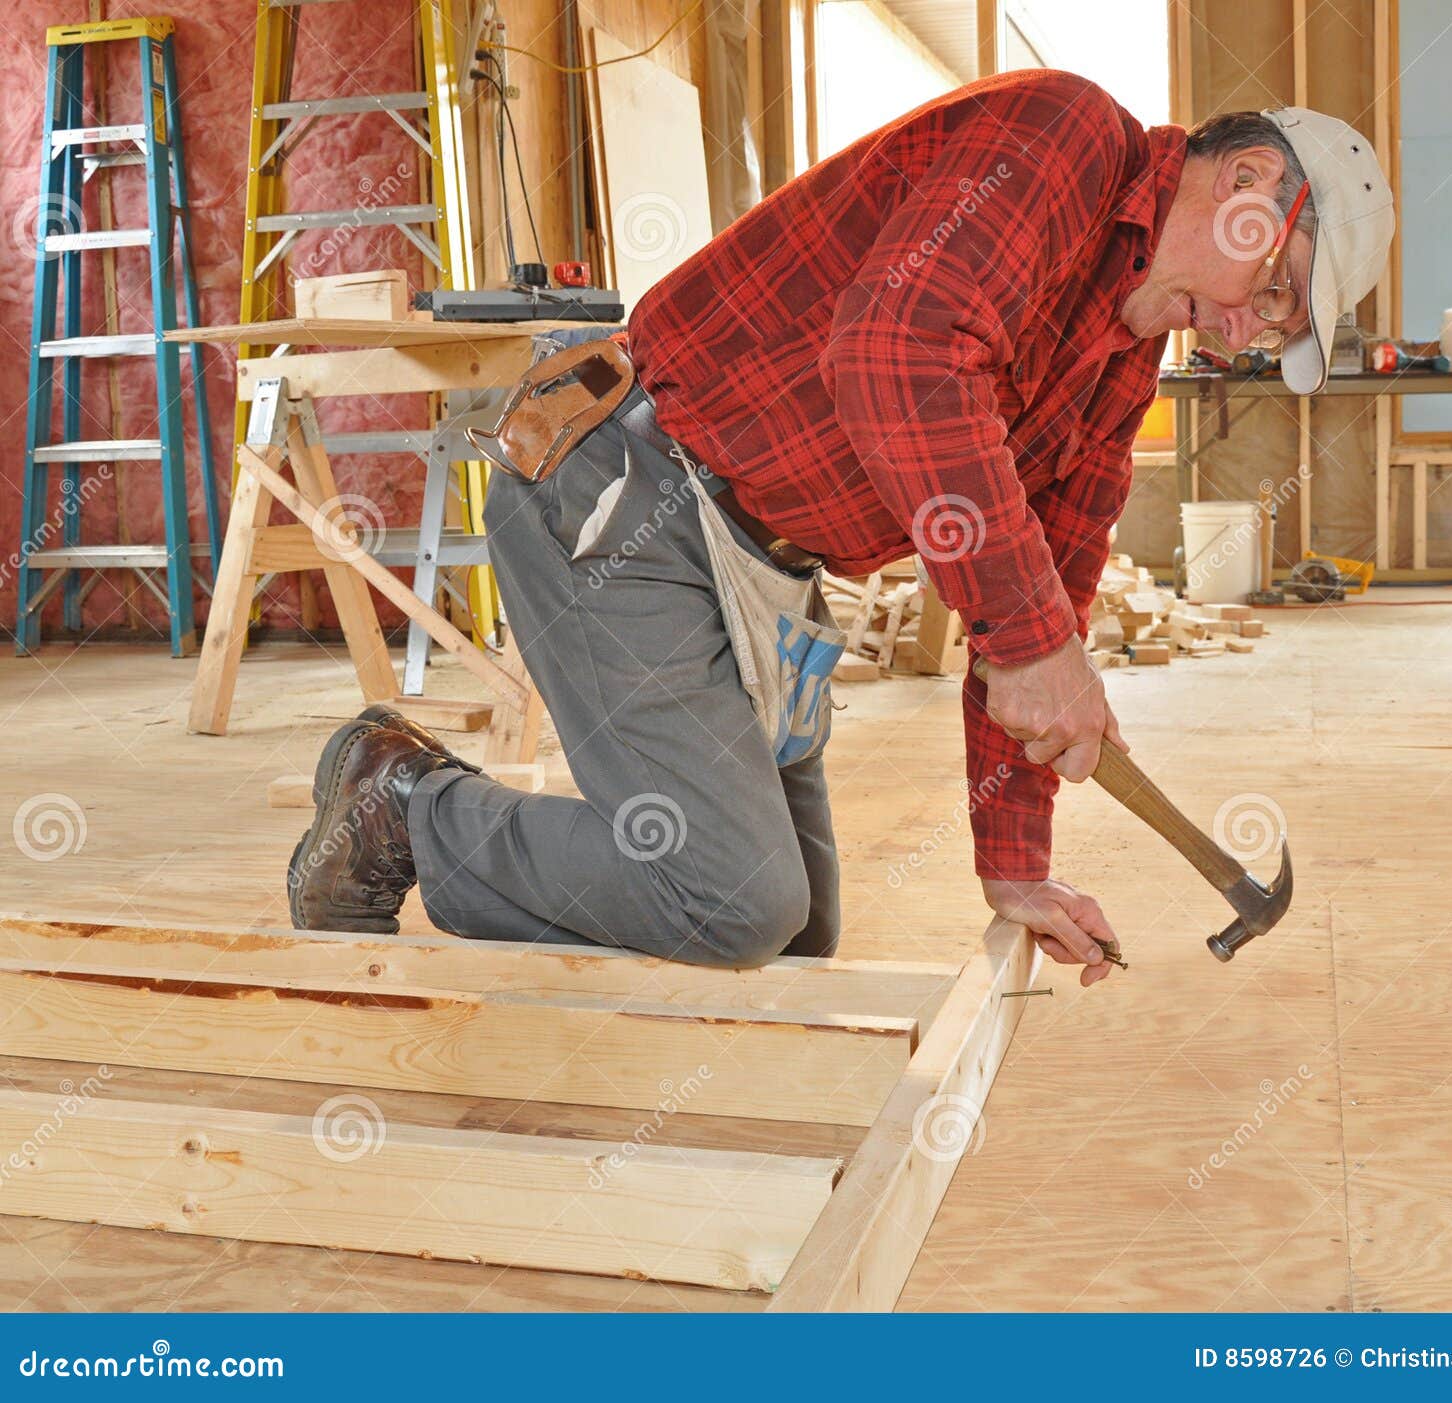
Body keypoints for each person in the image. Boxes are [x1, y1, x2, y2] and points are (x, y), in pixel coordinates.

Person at [287, 71, 1393, 984]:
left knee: (792, 931)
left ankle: (590, 1011)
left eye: (1281, 328)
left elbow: (1043, 601)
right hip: (623, 492)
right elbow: (897, 348)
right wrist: (1028, 643)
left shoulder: (1118, 362)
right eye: (1282, 294)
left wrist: (1014, 864)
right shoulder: (1063, 139)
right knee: (728, 897)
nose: (1254, 332)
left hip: (766, 563)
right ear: (1248, 181)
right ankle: (407, 805)